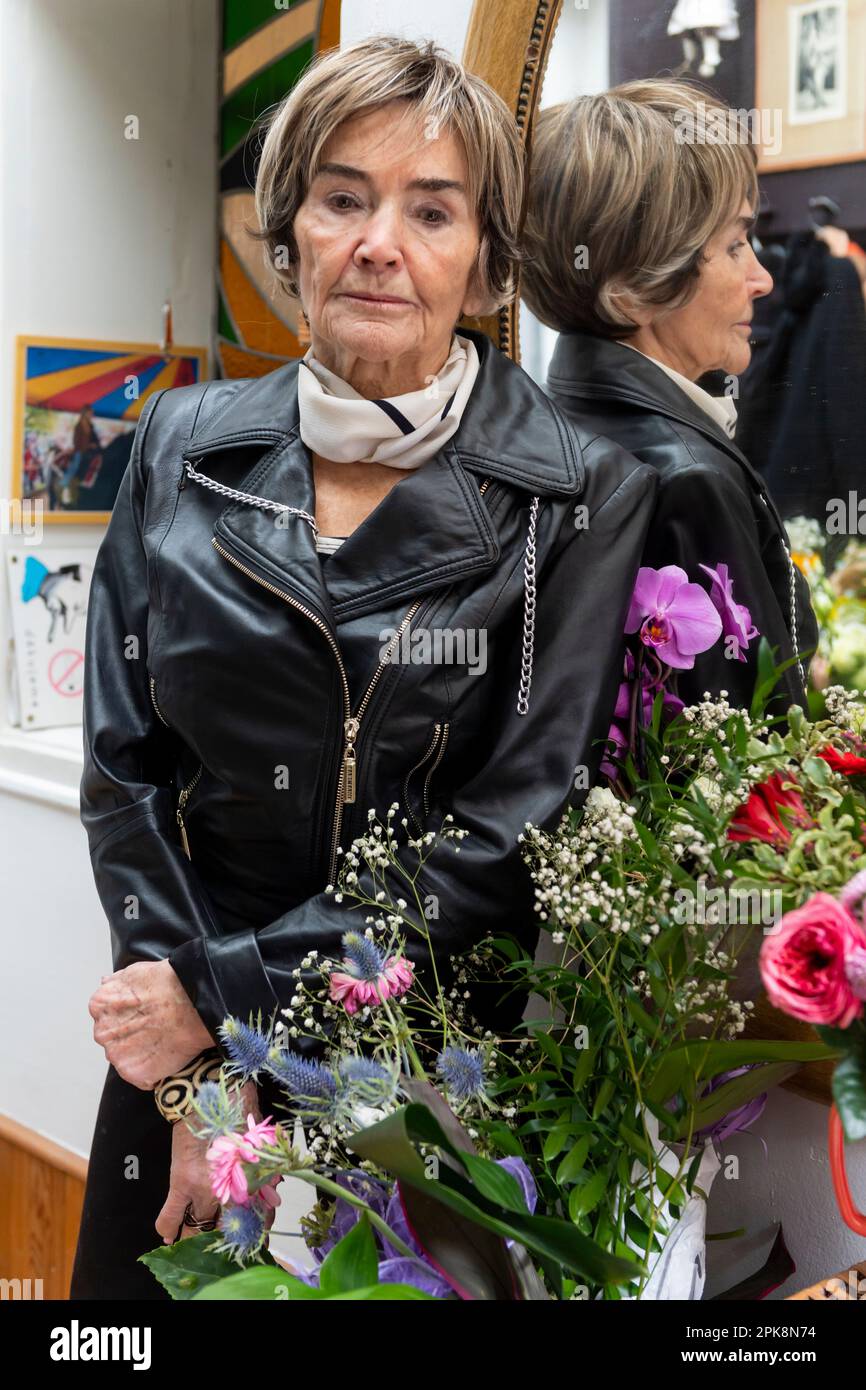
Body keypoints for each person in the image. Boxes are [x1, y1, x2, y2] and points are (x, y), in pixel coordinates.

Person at [70, 36, 658, 1299]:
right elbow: (123, 770)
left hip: (429, 1072)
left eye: (430, 209)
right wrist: (199, 1071)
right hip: (178, 1061)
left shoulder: (581, 493)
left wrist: (222, 1003)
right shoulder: (177, 441)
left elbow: (513, 823)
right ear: (290, 239)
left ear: (487, 260)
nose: (378, 241)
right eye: (342, 199)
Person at [521, 79, 819, 712]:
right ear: (632, 290)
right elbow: (754, 761)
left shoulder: (538, 424)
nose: (762, 278)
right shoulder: (688, 481)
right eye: (736, 245)